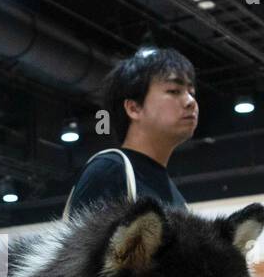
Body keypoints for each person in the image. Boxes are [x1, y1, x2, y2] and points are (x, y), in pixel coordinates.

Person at [66, 46, 196, 215]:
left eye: (192, 92)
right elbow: (83, 242)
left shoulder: (175, 195)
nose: (190, 101)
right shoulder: (110, 172)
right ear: (134, 108)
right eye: (174, 91)